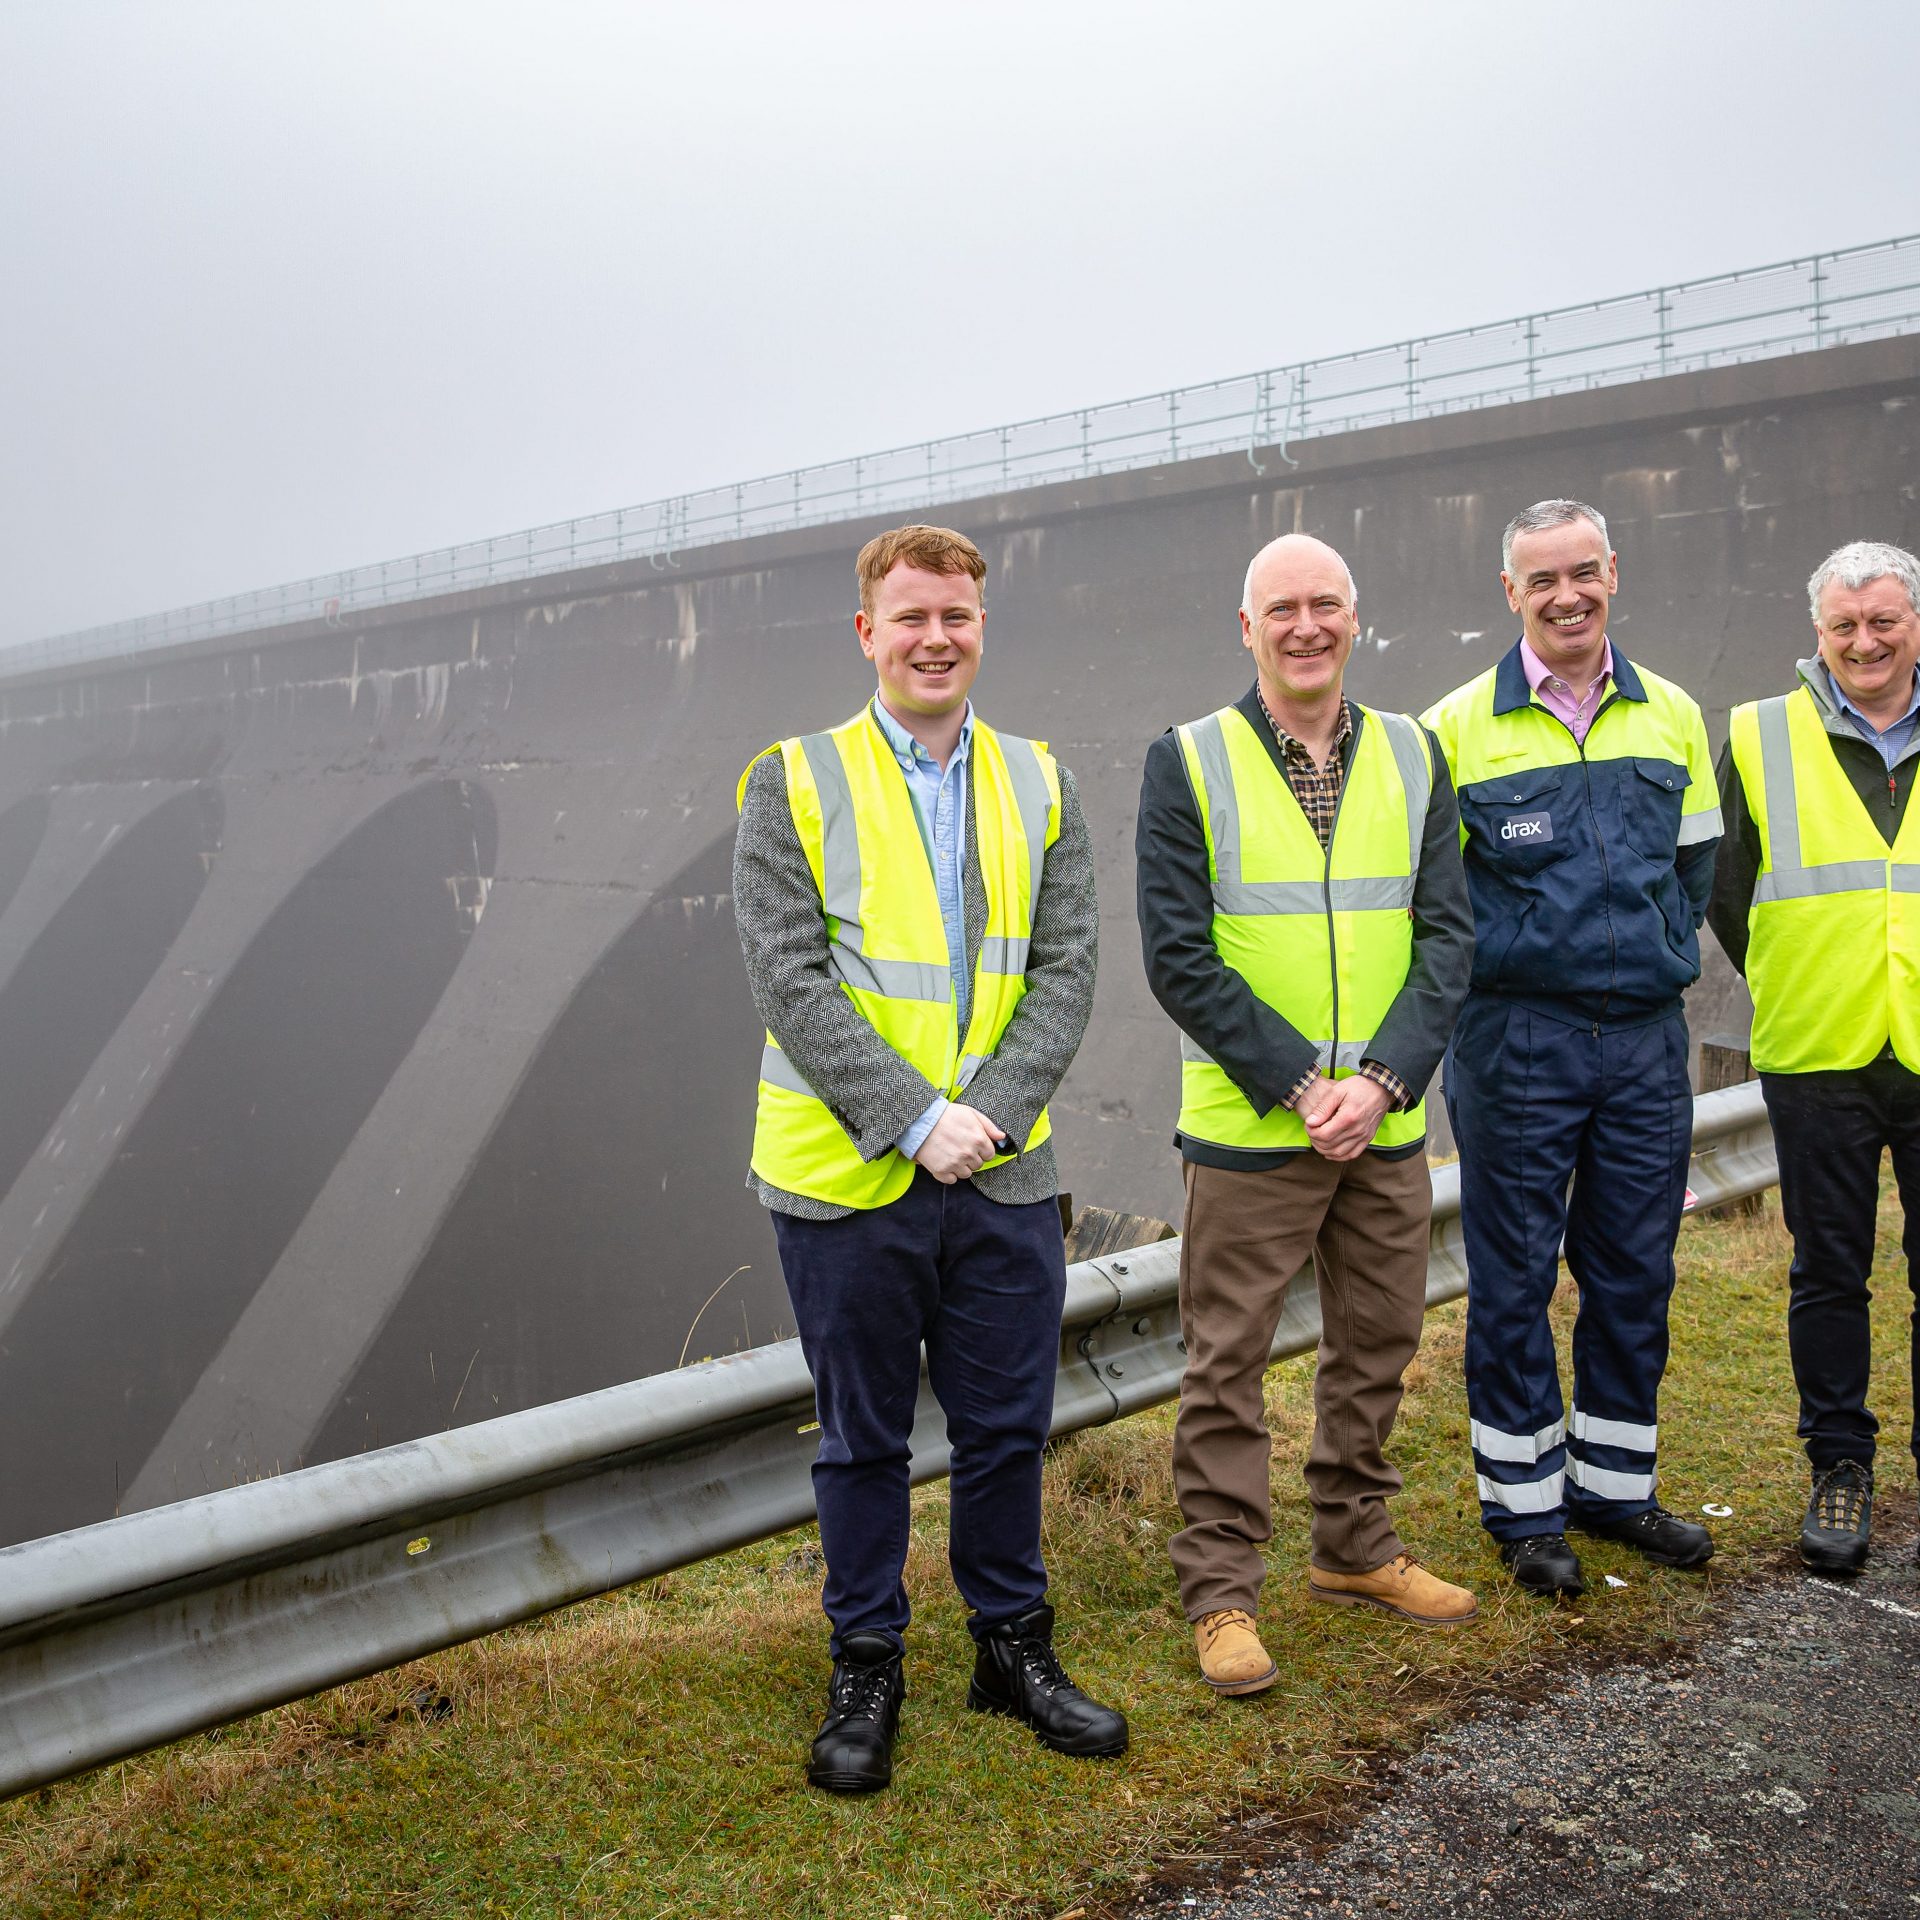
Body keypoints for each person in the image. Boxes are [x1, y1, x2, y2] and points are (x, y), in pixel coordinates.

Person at [732, 523, 1126, 1794]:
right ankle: (866, 1667)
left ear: (982, 626)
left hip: (1003, 1174)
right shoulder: (792, 779)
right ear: (868, 632)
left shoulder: (1042, 780)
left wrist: (990, 1115)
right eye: (910, 617)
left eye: (956, 616)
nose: (935, 638)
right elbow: (789, 975)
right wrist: (913, 1115)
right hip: (849, 1180)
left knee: (1008, 1428)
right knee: (862, 1440)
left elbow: (1068, 970)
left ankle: (1011, 1651)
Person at [1136, 532, 1478, 1696]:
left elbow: (1447, 937)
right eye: (1281, 607)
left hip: (1380, 1123)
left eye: (1325, 604)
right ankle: (1223, 1595)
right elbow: (1179, 957)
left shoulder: (1414, 754)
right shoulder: (1187, 760)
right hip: (1252, 1131)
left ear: (1355, 617)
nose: (1305, 626)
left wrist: (1381, 1082)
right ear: (1247, 627)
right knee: (1227, 1364)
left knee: (1379, 1341)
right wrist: (1298, 1084)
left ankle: (1356, 1549)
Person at [1422, 499, 1721, 1599]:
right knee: (1513, 1279)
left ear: (1612, 573)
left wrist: (1638, 957)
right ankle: (1524, 1507)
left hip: (1644, 1040)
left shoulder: (1676, 715)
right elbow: (1439, 904)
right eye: (1541, 579)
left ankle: (1614, 1487)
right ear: (1511, 593)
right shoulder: (1452, 729)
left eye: (1583, 572)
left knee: (1636, 1272)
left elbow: (1693, 879)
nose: (1567, 595)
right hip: (1517, 1039)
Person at [1709, 540, 1920, 1574]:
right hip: (1818, 1049)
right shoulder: (1756, 734)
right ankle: (1839, 1468)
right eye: (1845, 625)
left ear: (1914, 624)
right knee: (1829, 1272)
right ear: (1817, 632)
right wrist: (1804, 974)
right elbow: (1725, 892)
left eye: (1883, 621)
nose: (1865, 642)